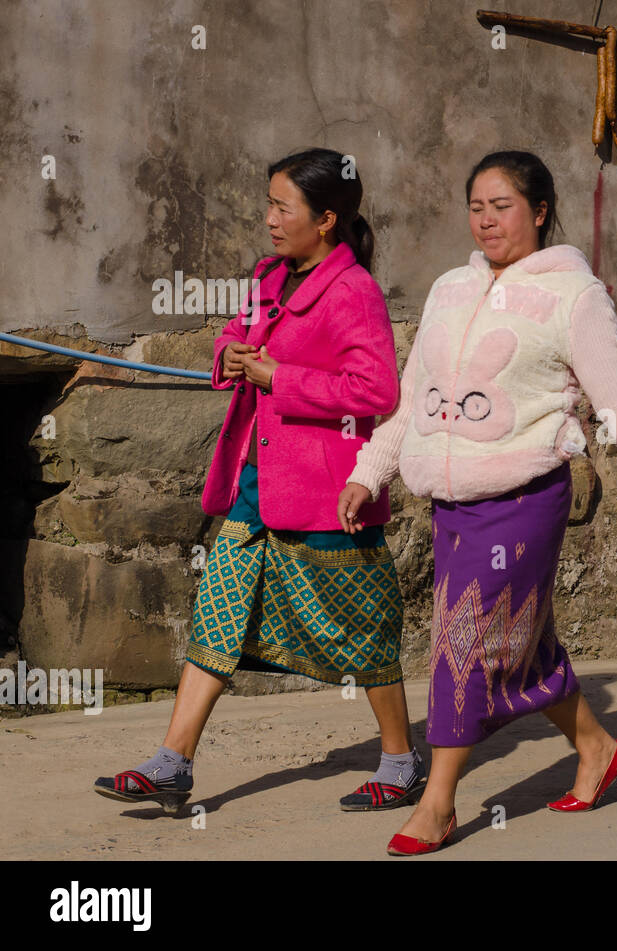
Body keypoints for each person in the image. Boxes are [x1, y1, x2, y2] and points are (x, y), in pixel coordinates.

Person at [339, 150, 617, 855]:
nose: (486, 220)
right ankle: (599, 749)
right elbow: (412, 402)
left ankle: (440, 803)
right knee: (524, 644)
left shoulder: (576, 295)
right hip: (453, 505)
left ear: (539, 211)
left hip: (523, 500)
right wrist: (370, 471)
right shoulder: (450, 289)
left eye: (501, 206)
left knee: (462, 643)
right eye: (476, 206)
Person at [94, 148, 425, 815]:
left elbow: (376, 390)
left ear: (327, 218)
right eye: (268, 203)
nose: (269, 218)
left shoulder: (352, 290)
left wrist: (283, 378)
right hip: (255, 478)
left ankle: (399, 757)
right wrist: (232, 355)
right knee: (217, 606)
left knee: (360, 627)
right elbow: (237, 338)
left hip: (329, 493)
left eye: (283, 206)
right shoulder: (271, 275)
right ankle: (173, 761)